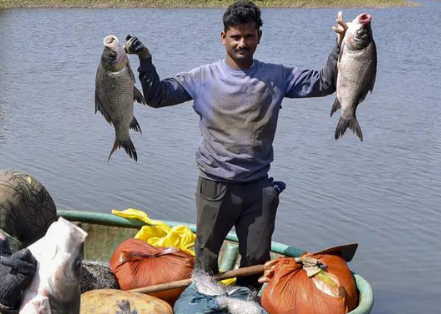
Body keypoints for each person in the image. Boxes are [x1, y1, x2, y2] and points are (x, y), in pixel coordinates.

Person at [125, 1, 349, 286]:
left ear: (259, 37)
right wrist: (145, 58)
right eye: (235, 37)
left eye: (249, 36)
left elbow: (325, 83)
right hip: (214, 187)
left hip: (258, 188)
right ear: (223, 38)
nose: (242, 43)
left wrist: (341, 45)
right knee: (205, 266)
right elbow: (157, 97)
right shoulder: (201, 77)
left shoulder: (277, 77)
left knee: (255, 267)